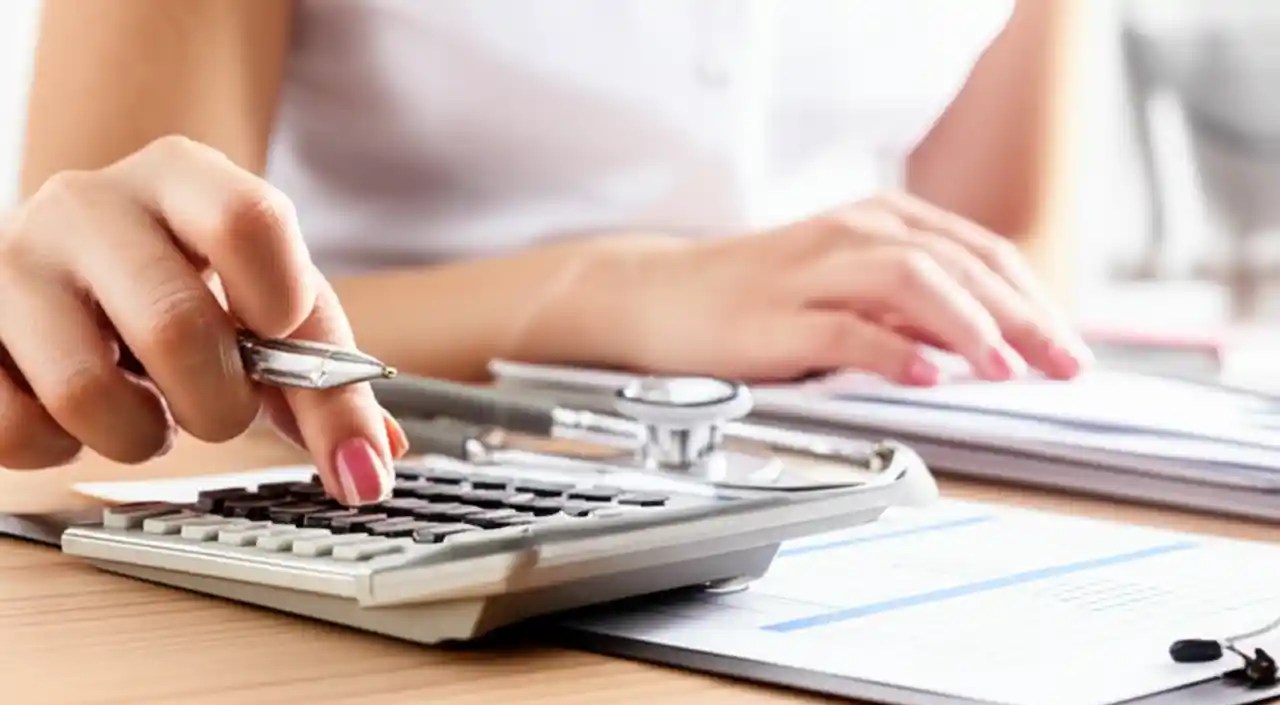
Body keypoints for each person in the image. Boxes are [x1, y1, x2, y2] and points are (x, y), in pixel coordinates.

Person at [3, 1, 1090, 500]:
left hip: (834, 490)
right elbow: (121, 342)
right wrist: (606, 296)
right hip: (336, 479)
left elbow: (1000, 255)